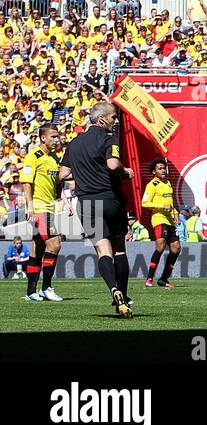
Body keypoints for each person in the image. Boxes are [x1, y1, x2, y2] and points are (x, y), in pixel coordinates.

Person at [58, 102, 134, 318]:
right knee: (119, 249)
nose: (116, 121)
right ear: (101, 120)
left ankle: (113, 289)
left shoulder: (73, 144)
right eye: (113, 117)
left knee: (102, 250)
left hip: (87, 203)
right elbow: (112, 165)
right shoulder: (109, 139)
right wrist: (125, 172)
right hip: (110, 199)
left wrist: (82, 175)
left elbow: (62, 175)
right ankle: (123, 296)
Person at [20, 125, 66, 301]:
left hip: (49, 206)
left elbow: (57, 185)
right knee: (55, 244)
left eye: (58, 137)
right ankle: (47, 287)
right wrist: (30, 206)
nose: (57, 140)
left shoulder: (54, 157)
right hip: (38, 207)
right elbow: (26, 182)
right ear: (43, 138)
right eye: (53, 137)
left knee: (38, 248)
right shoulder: (33, 156)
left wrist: (66, 202)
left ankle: (31, 291)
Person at [141, 158, 181, 289]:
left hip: (169, 220)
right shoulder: (152, 185)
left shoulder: (168, 183)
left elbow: (170, 203)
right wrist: (161, 207)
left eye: (164, 168)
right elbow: (144, 203)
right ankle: (150, 277)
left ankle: (163, 279)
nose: (163, 170)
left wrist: (175, 213)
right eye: (160, 168)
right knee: (161, 246)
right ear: (154, 172)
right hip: (159, 218)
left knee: (176, 248)